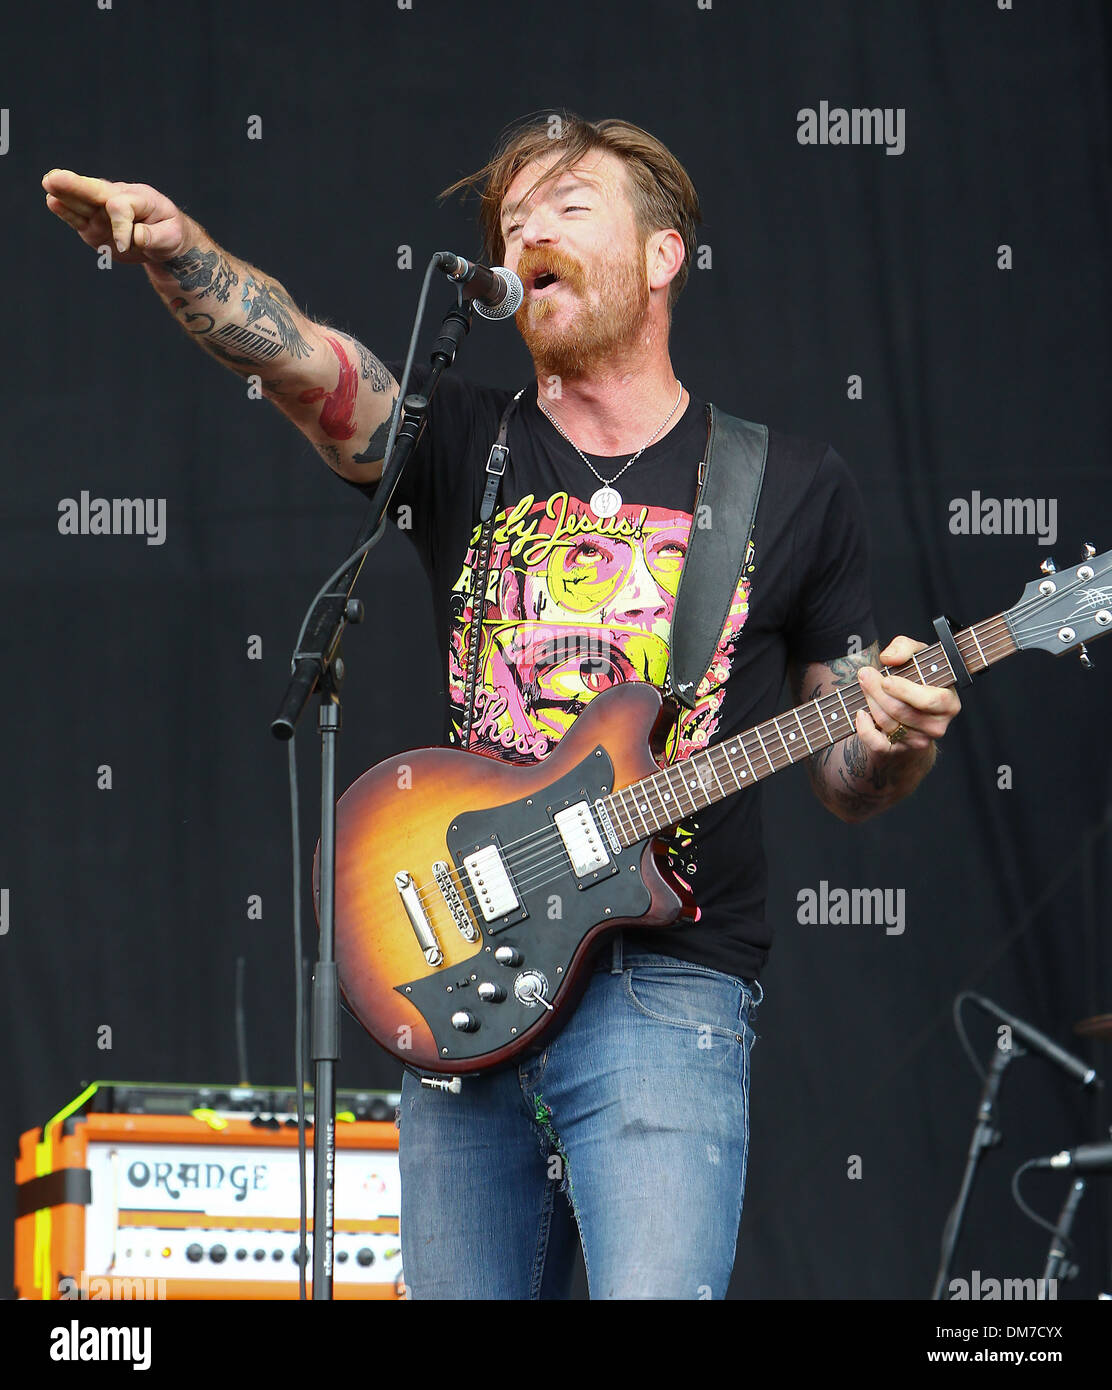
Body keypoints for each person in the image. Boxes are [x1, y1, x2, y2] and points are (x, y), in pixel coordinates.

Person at [42, 112, 960, 1299]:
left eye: (567, 207)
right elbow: (303, 362)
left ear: (663, 253)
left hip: (662, 986)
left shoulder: (786, 483)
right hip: (463, 968)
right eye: (511, 219)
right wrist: (175, 248)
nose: (528, 230)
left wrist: (890, 739)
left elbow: (846, 774)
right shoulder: (463, 443)